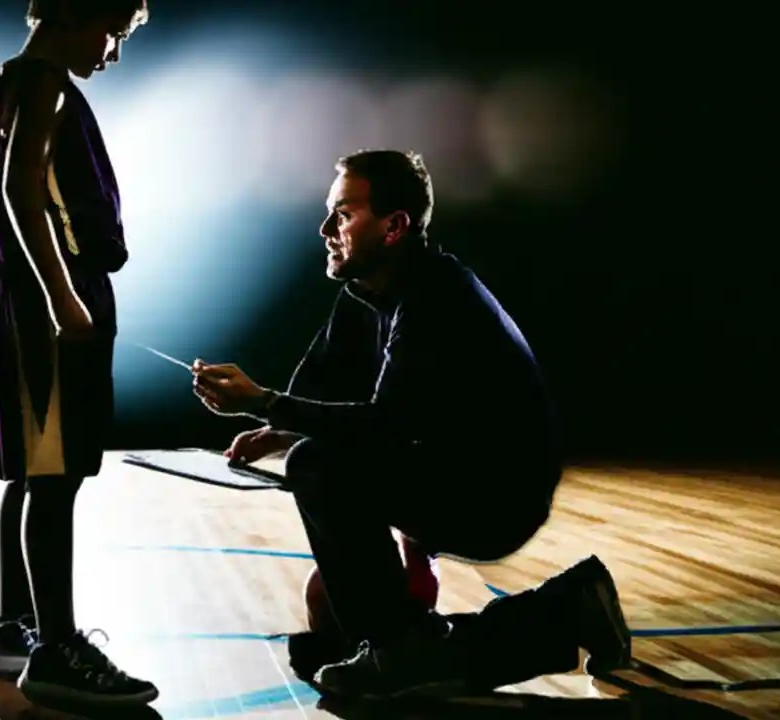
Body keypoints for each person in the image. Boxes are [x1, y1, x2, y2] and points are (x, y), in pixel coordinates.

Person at [190, 149, 631, 698]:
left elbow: (383, 427)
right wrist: (277, 425)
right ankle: (567, 608)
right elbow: (323, 387)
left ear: (395, 226)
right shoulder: (365, 290)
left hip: (496, 495)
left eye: (344, 215)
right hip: (441, 463)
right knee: (335, 624)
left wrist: (264, 404)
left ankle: (404, 648)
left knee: (318, 466)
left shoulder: (434, 297)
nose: (326, 228)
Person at [0, 0, 157, 707]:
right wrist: (61, 296)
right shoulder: (43, 80)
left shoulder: (22, 79)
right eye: (113, 33)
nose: (113, 52)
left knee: (35, 473)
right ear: (81, 11)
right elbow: (20, 192)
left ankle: (15, 626)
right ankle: (54, 649)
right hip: (47, 300)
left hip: (37, 297)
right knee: (54, 478)